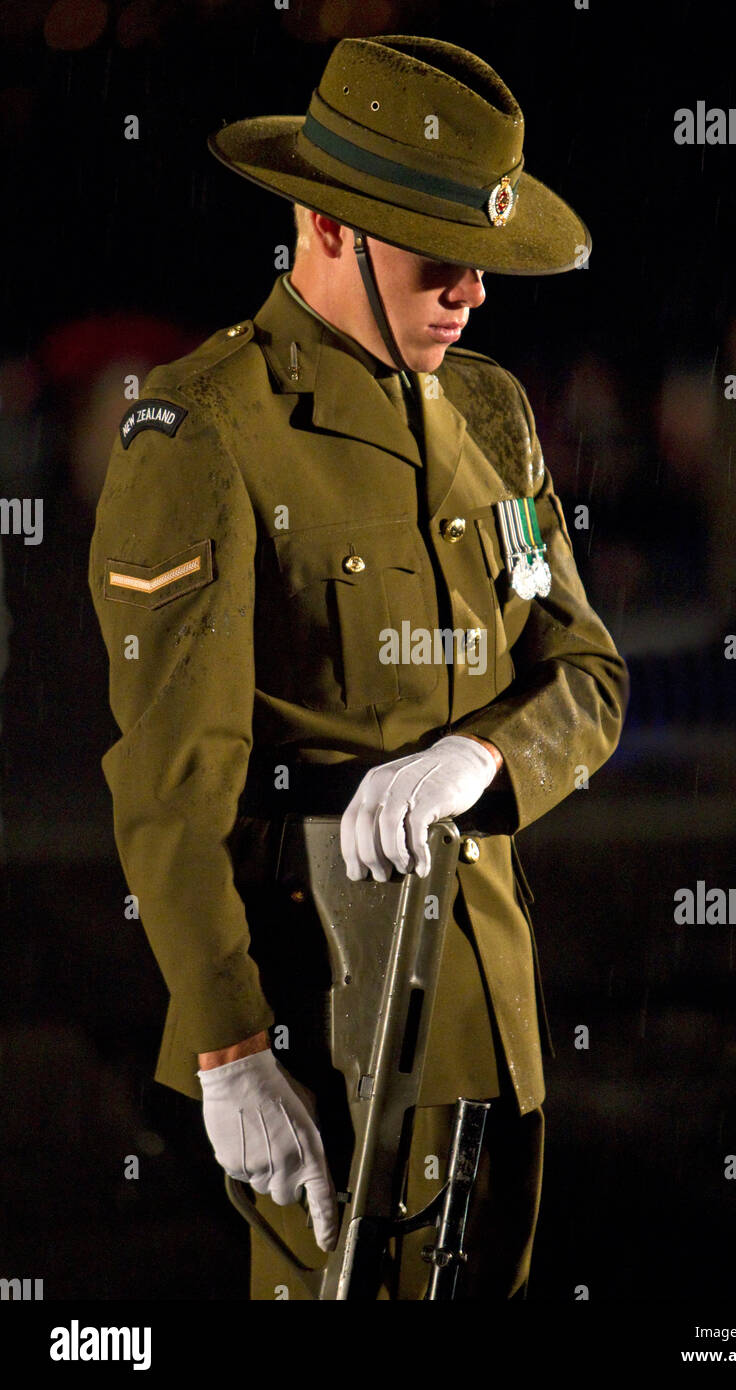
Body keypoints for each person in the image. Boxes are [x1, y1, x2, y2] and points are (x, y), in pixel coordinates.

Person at [88, 33, 628, 1300]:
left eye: (484, 263)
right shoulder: (205, 432)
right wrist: (229, 1053)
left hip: (488, 1016)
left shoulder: (488, 415)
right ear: (325, 227)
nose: (472, 295)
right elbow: (172, 787)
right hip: (327, 1020)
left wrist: (478, 753)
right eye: (439, 258)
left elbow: (587, 675)